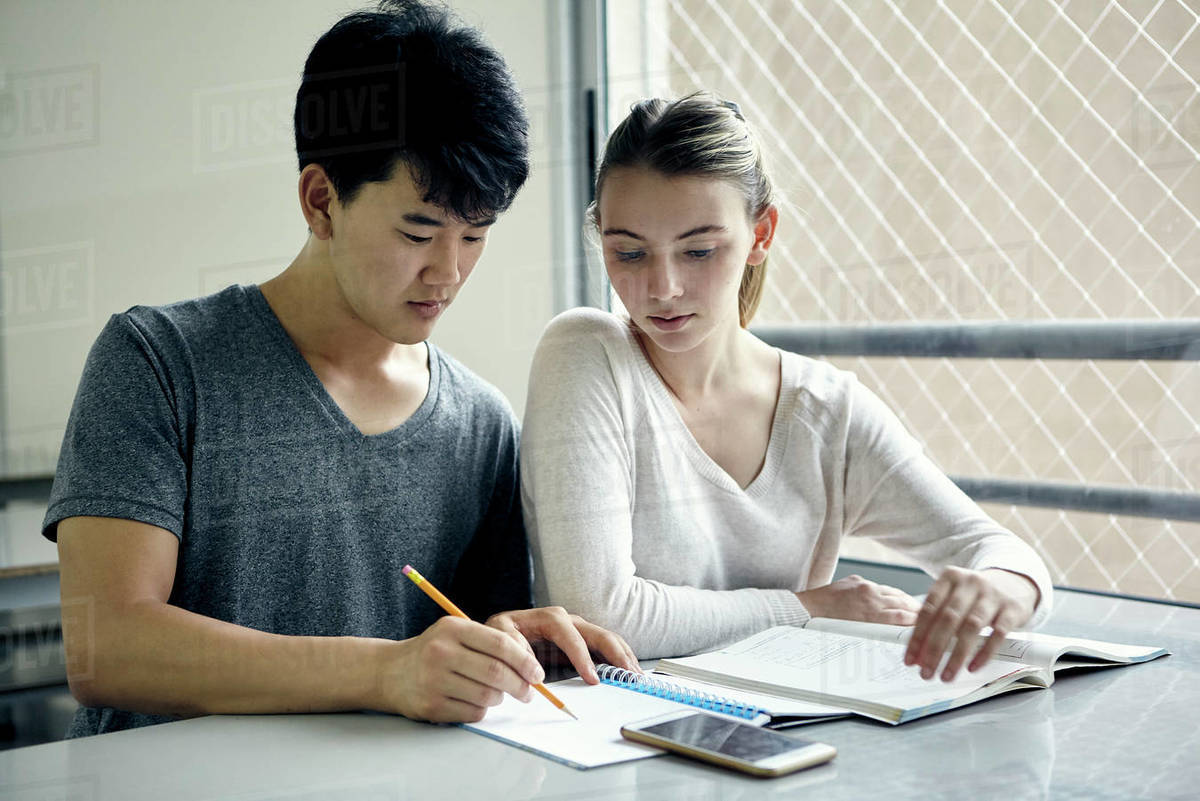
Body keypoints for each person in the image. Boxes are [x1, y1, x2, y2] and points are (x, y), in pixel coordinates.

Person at [43, 0, 636, 739]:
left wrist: (499, 648)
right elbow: (108, 648)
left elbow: (451, 663)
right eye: (418, 232)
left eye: (475, 236)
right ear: (321, 201)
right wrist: (386, 670)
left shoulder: (481, 424)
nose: (448, 272)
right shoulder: (157, 362)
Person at [520, 93, 1053, 681]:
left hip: (788, 723)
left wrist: (1004, 587)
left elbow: (996, 550)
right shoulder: (586, 353)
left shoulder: (825, 410)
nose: (662, 287)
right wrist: (807, 609)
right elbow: (599, 614)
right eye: (629, 252)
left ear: (762, 233)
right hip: (618, 724)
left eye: (699, 250)